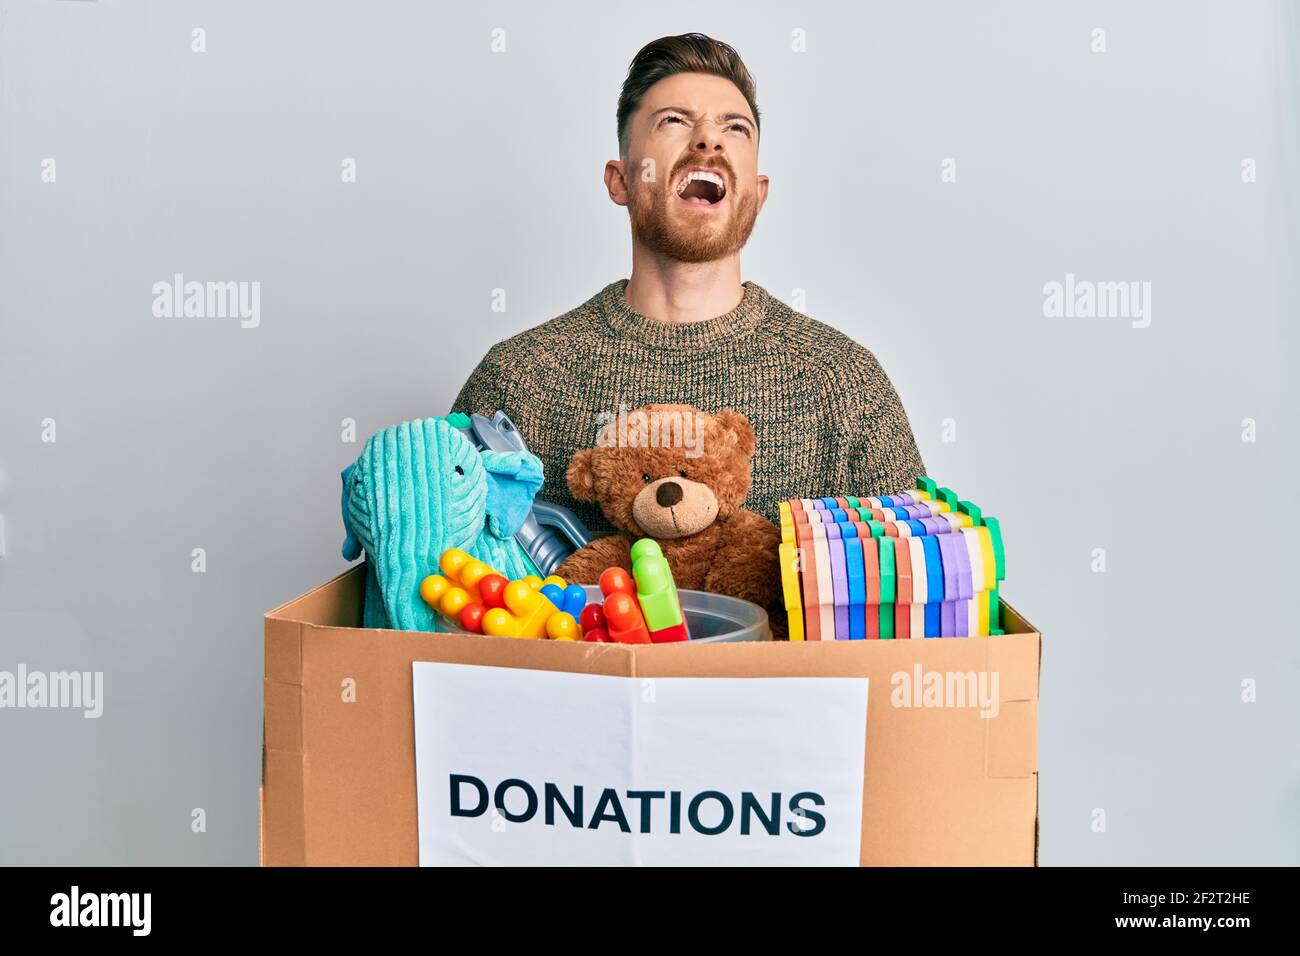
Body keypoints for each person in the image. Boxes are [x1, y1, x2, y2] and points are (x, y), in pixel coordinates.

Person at [454, 33, 925, 538]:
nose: (708, 140)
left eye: (735, 127)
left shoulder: (845, 382)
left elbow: (929, 588)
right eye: (674, 121)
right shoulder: (518, 379)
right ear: (620, 180)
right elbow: (430, 587)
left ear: (757, 193)